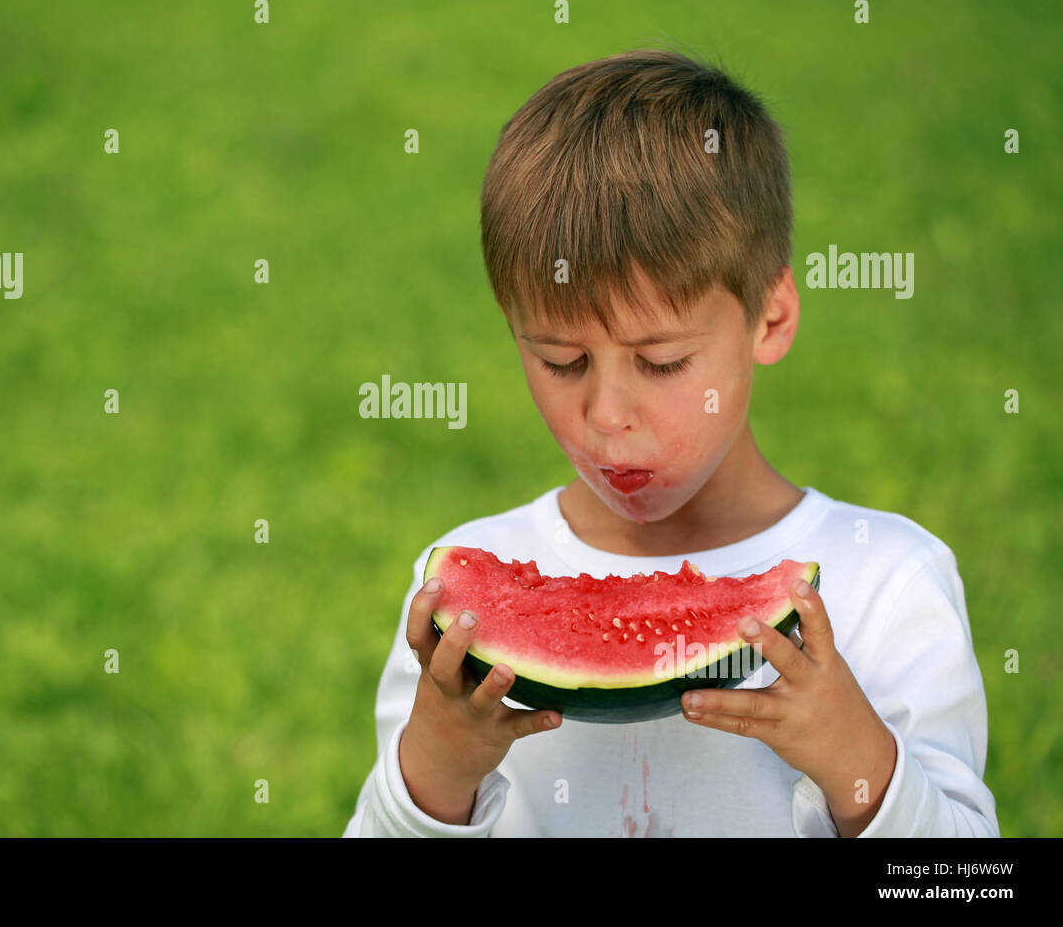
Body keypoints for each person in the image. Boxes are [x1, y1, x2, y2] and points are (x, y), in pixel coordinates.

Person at [342, 49, 998, 837]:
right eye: (562, 361)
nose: (608, 413)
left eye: (661, 362)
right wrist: (433, 776)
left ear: (771, 317)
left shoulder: (888, 584)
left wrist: (859, 763)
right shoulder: (456, 607)